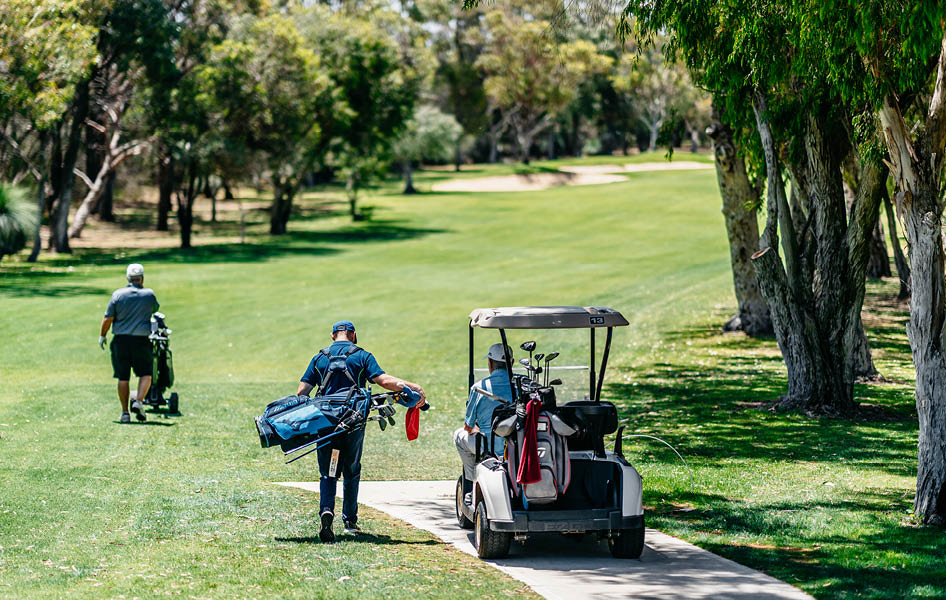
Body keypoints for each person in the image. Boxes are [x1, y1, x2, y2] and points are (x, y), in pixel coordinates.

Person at [297, 320, 426, 543]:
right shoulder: (362, 356)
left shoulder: (319, 358)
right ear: (353, 335)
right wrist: (411, 386)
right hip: (353, 422)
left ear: (332, 336)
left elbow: (302, 391)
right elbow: (384, 381)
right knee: (352, 470)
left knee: (328, 471)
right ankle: (350, 521)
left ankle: (326, 510)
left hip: (326, 423)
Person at [99, 264, 159, 424]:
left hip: (121, 341)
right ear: (142, 278)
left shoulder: (118, 295)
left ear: (127, 278)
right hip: (141, 340)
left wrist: (102, 335)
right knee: (146, 374)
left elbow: (108, 319)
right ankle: (138, 401)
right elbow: (155, 310)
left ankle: (125, 413)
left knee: (123, 377)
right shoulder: (149, 294)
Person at [454, 343, 515, 485]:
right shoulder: (522, 384)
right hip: (517, 445)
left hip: (489, 447)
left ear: (490, 363)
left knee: (458, 435)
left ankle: (471, 481)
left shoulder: (479, 388)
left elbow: (468, 428)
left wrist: (477, 428)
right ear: (511, 362)